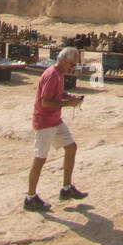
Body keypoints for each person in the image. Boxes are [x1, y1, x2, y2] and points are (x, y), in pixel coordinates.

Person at [25, 47, 87, 212]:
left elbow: (56, 93)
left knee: (71, 148)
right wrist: (68, 104)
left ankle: (66, 188)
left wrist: (68, 96)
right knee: (40, 159)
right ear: (65, 61)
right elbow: (46, 101)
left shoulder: (58, 74)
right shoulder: (52, 75)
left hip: (54, 120)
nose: (72, 69)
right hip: (45, 122)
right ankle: (30, 197)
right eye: (72, 65)